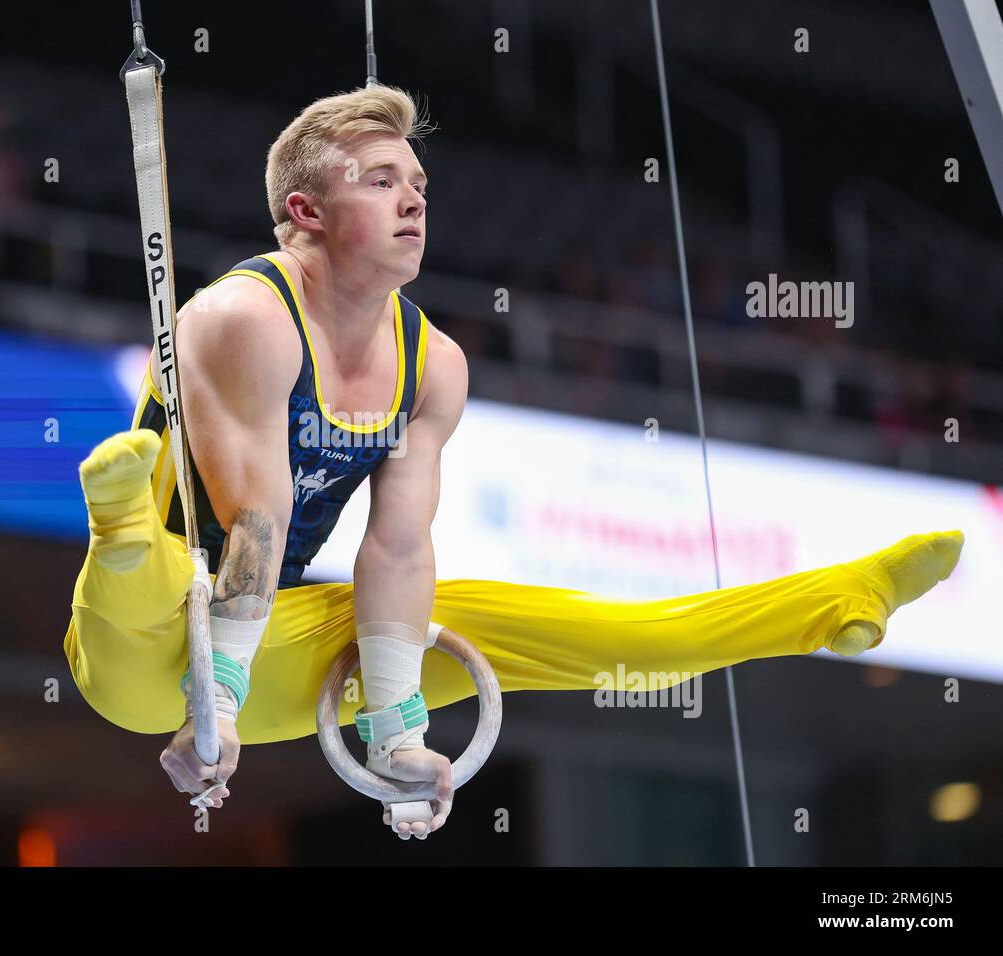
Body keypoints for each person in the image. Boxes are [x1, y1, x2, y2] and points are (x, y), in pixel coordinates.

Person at [63, 85, 964, 841]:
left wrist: (395, 730)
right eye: (381, 182)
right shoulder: (245, 318)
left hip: (274, 655)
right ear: (305, 213)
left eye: (417, 182)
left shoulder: (434, 366)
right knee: (155, 568)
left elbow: (399, 552)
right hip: (151, 651)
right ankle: (122, 524)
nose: (414, 200)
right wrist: (213, 694)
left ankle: (837, 601)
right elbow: (255, 515)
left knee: (613, 639)